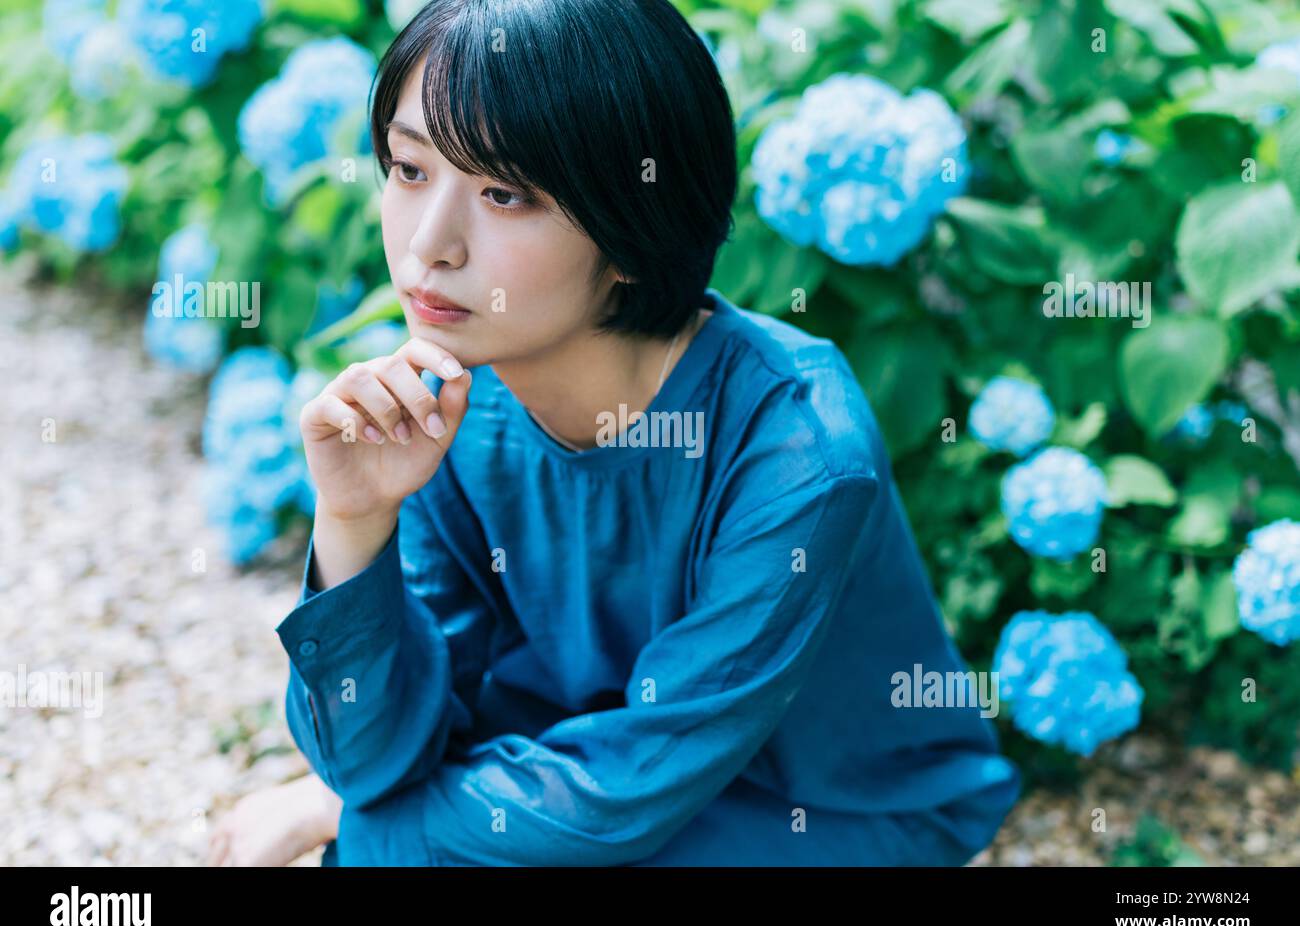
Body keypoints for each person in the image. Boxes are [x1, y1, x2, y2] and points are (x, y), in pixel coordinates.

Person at [208, 0, 1020, 867]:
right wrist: (354, 522)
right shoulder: (454, 398)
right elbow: (374, 762)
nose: (429, 247)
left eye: (503, 193)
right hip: (568, 769)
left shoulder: (796, 446)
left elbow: (623, 794)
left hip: (817, 808)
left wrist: (355, 826)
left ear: (636, 226)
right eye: (409, 170)